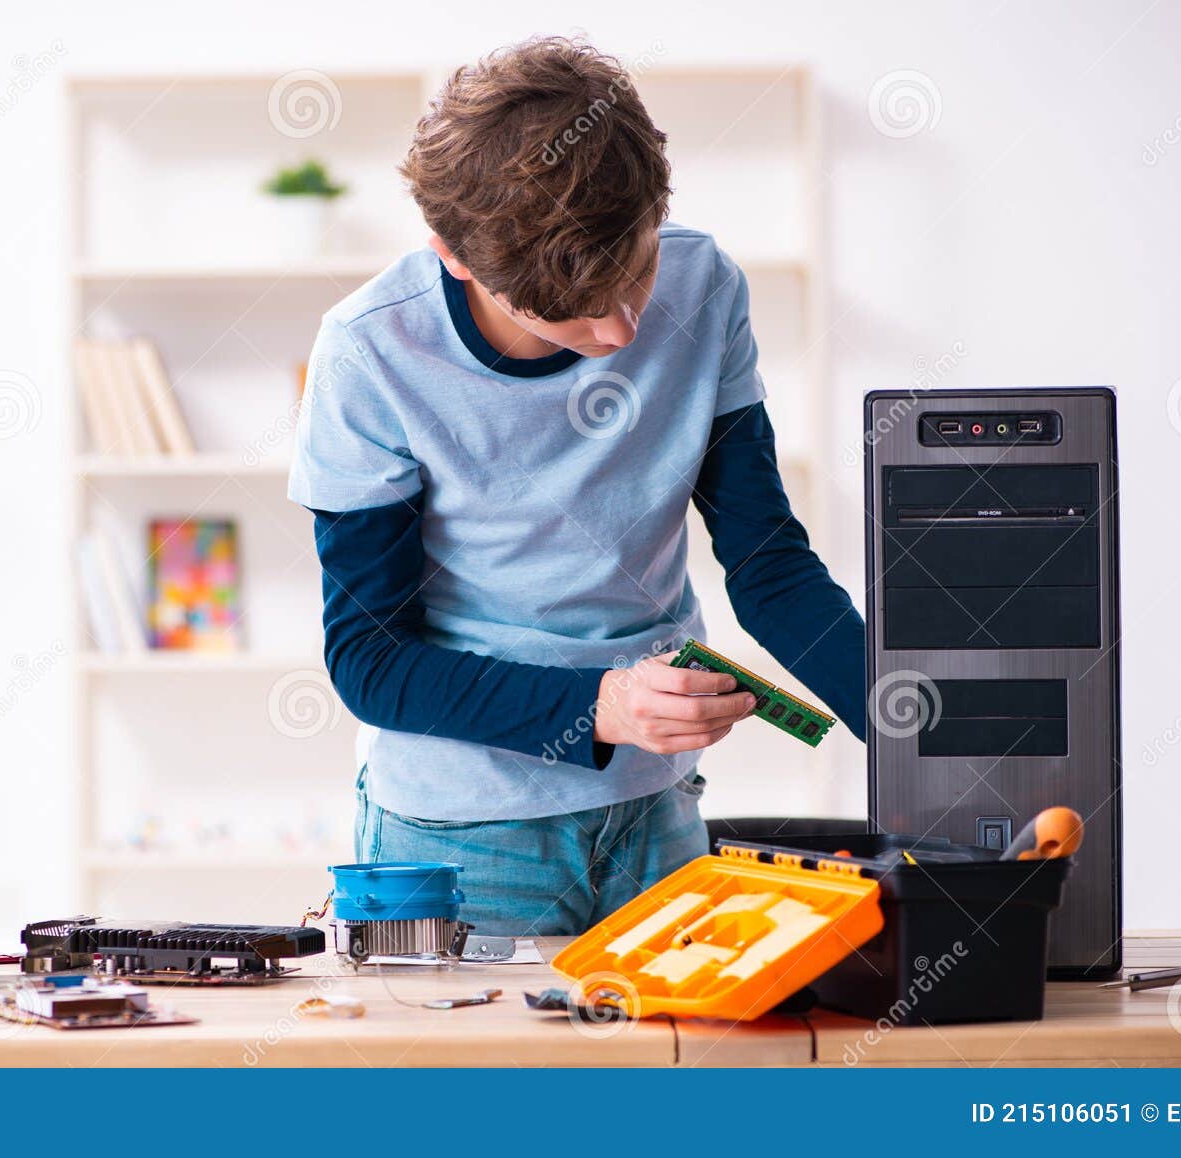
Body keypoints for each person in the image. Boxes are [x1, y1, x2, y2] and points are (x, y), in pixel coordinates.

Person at [288, 37, 865, 935]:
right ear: (455, 257)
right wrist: (602, 707)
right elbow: (370, 663)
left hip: (659, 811)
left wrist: (926, 739)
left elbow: (770, 567)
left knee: (677, 1074)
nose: (622, 328)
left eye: (635, 273)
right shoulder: (370, 353)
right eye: (566, 314)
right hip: (461, 835)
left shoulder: (705, 285)